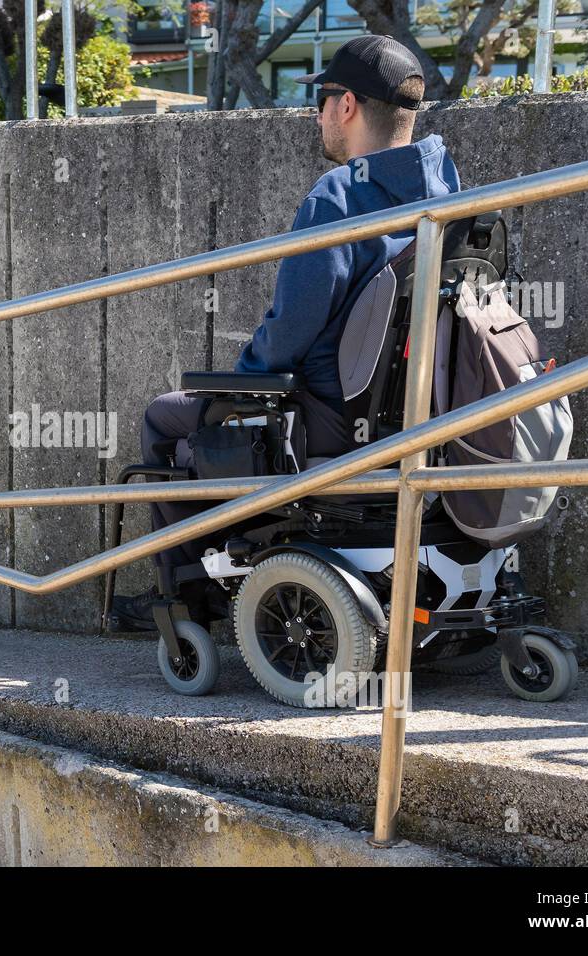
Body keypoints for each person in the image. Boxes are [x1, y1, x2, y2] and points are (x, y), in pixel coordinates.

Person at [112, 35, 461, 631]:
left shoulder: (338, 197)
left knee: (165, 419)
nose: (318, 115)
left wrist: (239, 383)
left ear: (347, 106)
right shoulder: (451, 191)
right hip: (425, 417)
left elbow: (293, 327)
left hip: (334, 418)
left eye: (321, 100)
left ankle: (184, 604)